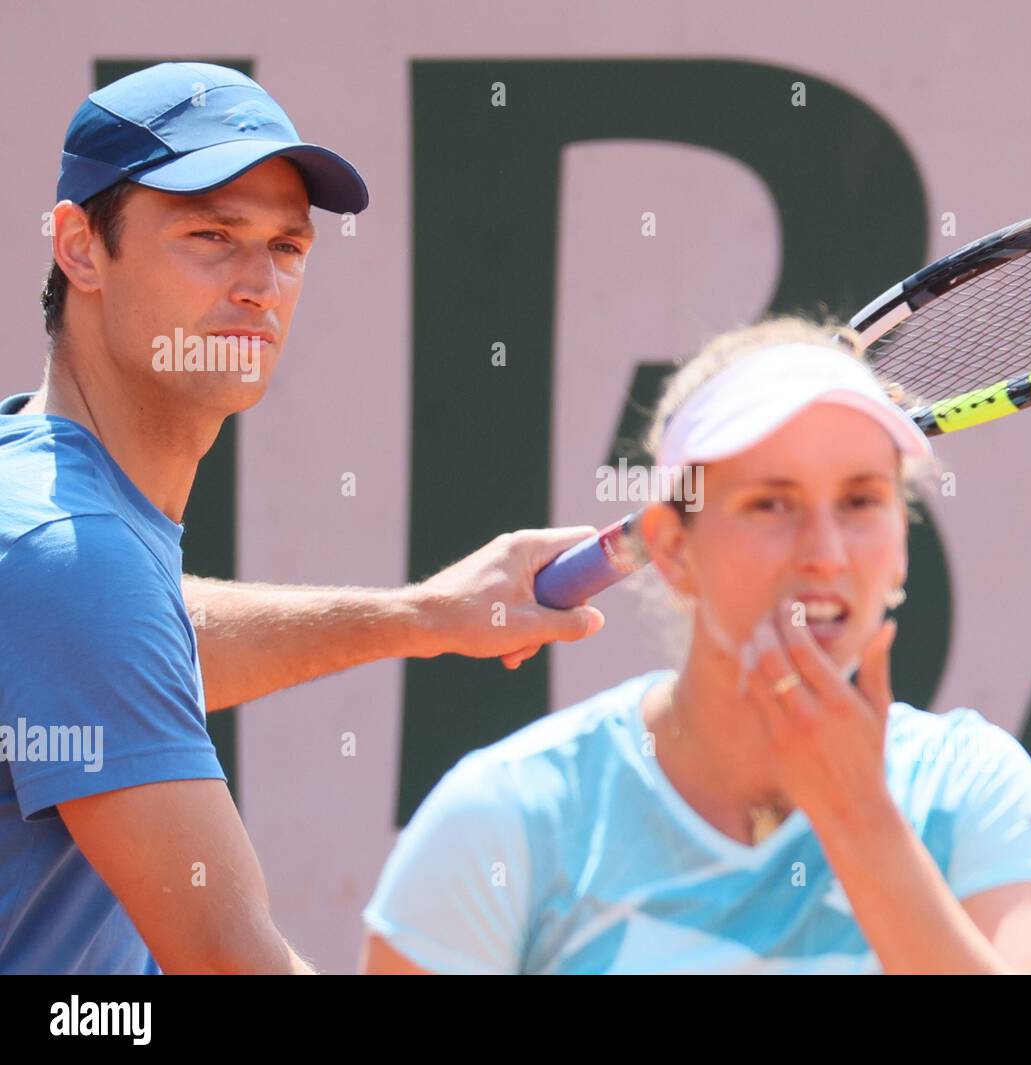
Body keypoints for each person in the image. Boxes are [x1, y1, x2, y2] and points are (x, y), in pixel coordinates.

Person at [0, 62, 602, 975]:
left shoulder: (42, 501)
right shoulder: (70, 558)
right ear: (80, 248)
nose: (260, 284)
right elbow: (231, 962)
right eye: (212, 235)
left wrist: (423, 614)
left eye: (287, 247)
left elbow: (139, 640)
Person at [362, 316, 1031, 974]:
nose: (826, 552)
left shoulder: (974, 786)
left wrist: (858, 818)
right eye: (771, 503)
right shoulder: (501, 819)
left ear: (900, 547)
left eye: (862, 500)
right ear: (675, 549)